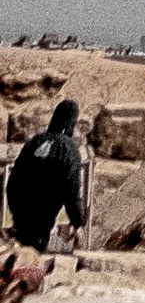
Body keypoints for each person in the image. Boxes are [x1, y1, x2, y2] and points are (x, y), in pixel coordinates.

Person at [4, 100, 88, 267]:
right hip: (43, 217)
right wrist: (78, 223)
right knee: (31, 259)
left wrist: (14, 210)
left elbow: (13, 180)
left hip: (22, 212)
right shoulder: (69, 149)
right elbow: (71, 191)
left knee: (19, 255)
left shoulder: (34, 142)